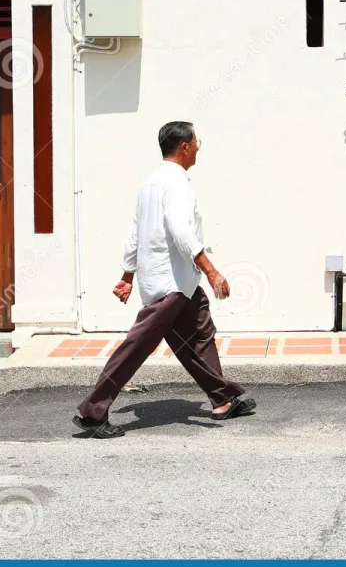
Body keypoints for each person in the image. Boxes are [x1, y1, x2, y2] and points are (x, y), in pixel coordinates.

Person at [74, 121, 255, 439]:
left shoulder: (150, 183)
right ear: (184, 146)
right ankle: (93, 411)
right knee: (137, 346)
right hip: (170, 284)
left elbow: (135, 231)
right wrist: (212, 271)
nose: (199, 146)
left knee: (199, 333)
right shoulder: (176, 183)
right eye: (197, 141)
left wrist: (128, 274)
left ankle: (223, 400)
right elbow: (180, 229)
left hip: (175, 281)